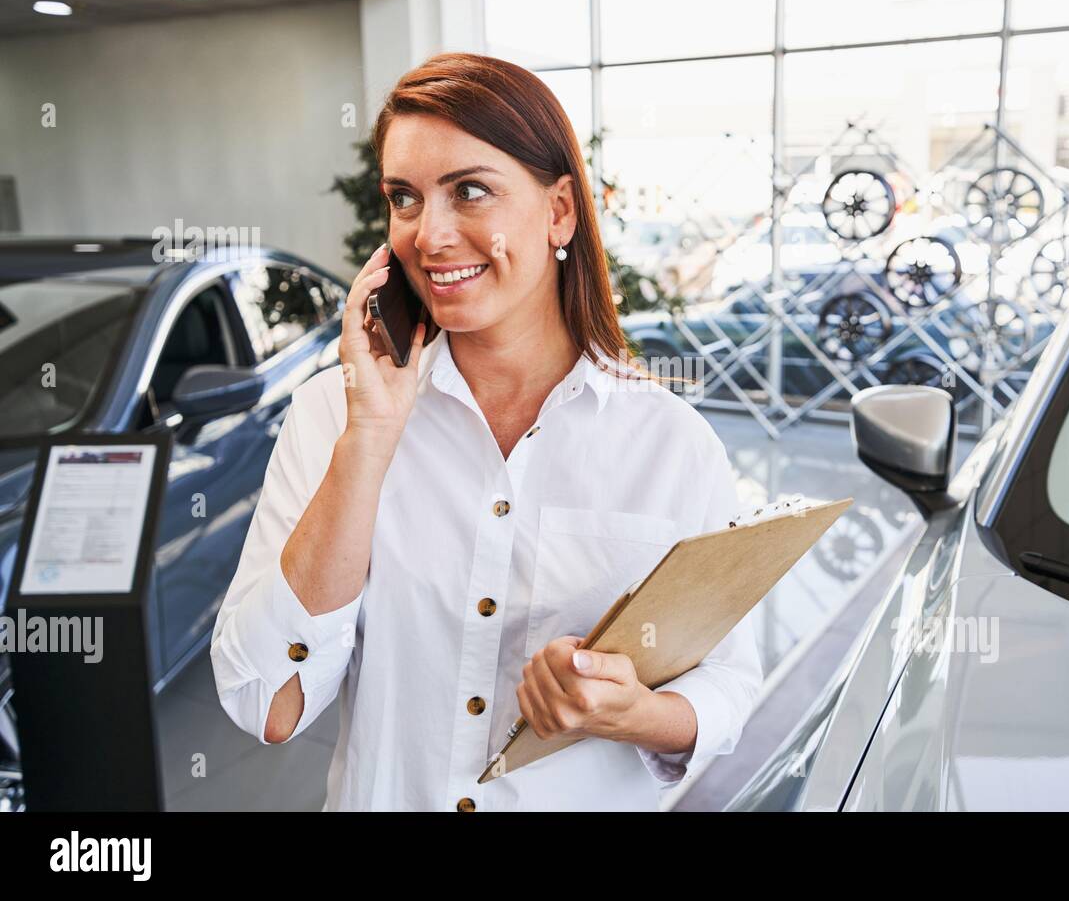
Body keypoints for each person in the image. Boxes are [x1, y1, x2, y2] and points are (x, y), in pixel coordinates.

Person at [210, 52, 763, 811]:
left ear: (559, 210)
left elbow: (728, 681)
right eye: (405, 198)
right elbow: (268, 704)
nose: (429, 235)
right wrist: (368, 442)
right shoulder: (333, 417)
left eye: (469, 191)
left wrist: (634, 713)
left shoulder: (671, 443)